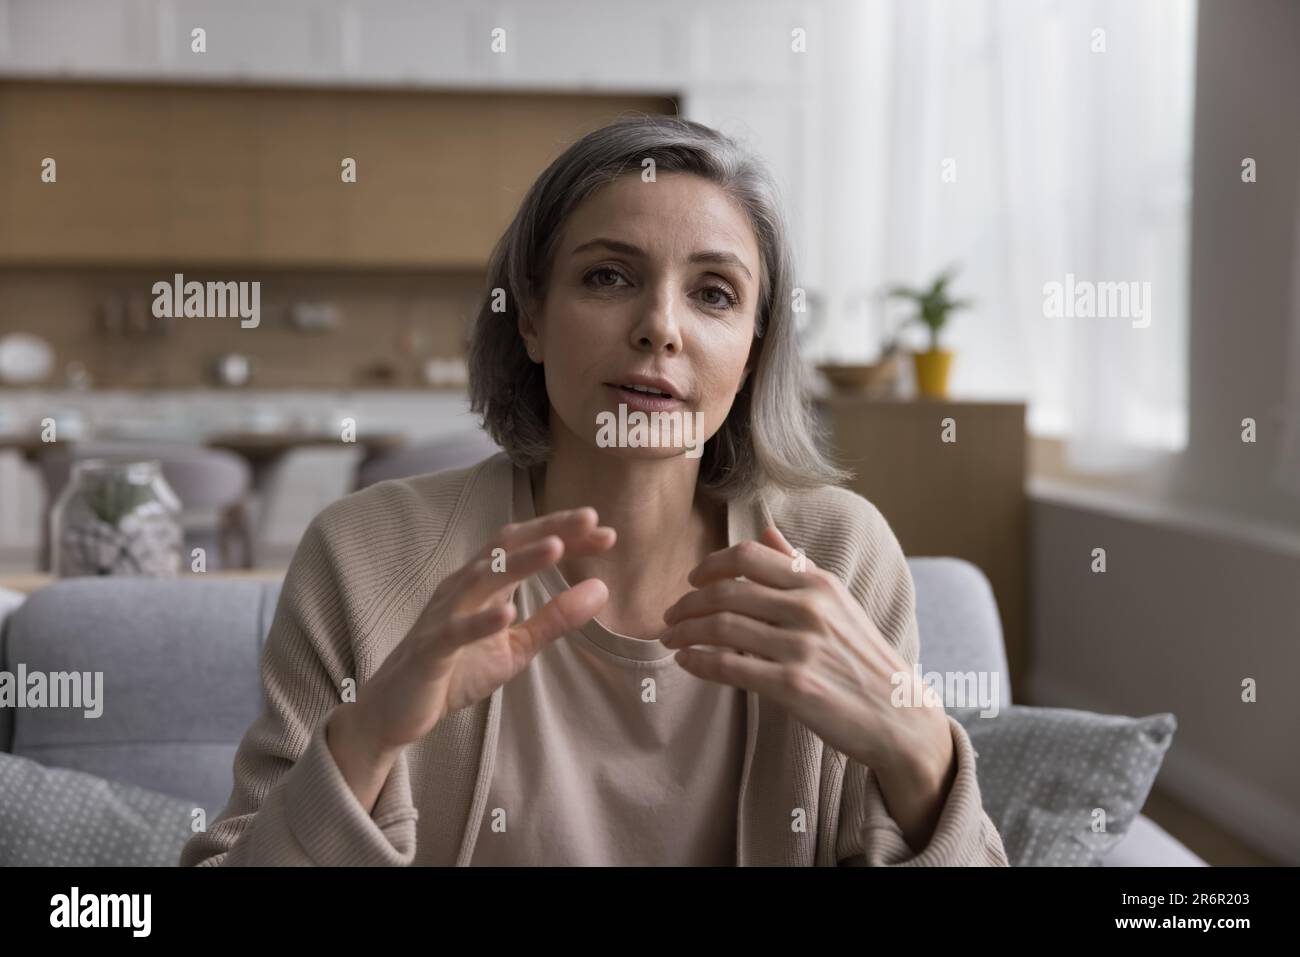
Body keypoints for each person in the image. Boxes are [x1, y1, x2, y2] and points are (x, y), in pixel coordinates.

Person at [180, 115, 1008, 867]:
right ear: (530, 317)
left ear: (752, 353)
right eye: (609, 277)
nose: (661, 326)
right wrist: (361, 743)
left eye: (713, 293)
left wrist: (917, 748)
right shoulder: (363, 557)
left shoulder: (840, 557)